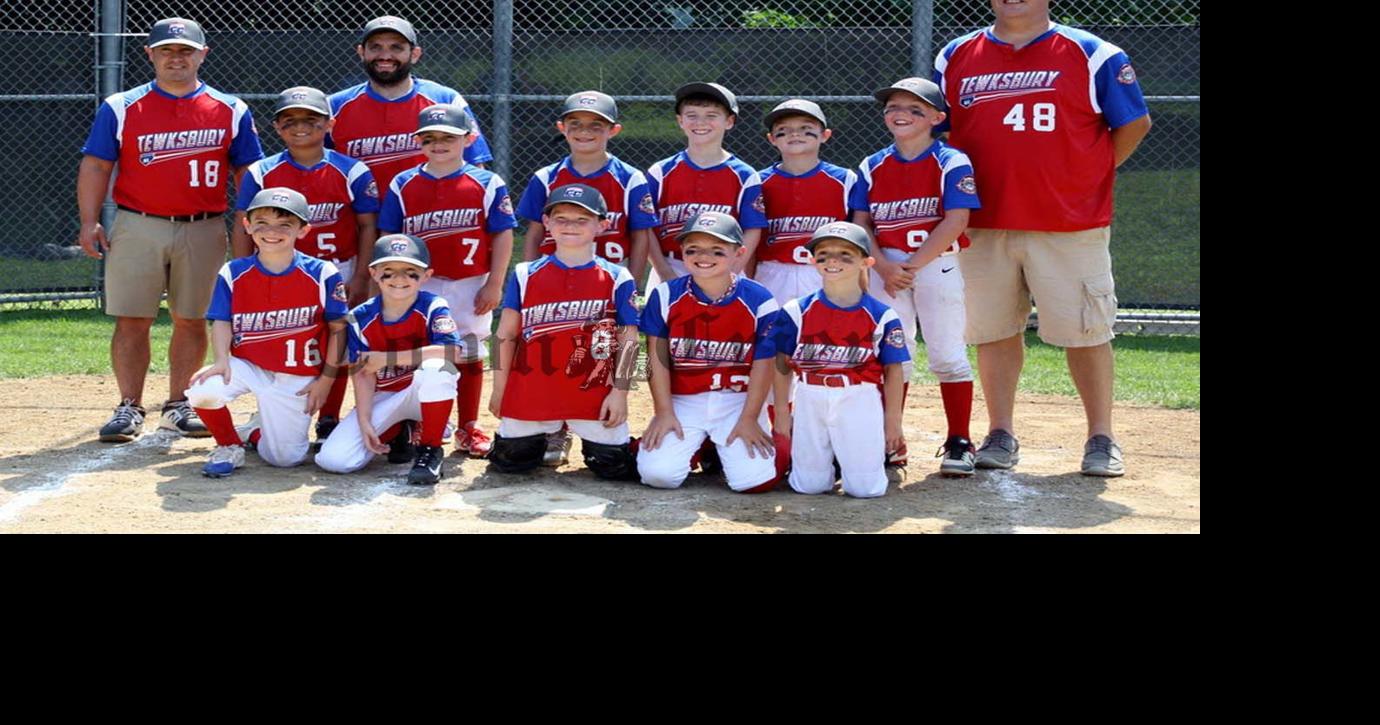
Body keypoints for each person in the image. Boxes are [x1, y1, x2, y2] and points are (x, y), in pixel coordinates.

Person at [935, 0, 1152, 476]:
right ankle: (1001, 432)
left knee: (1085, 331)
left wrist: (1090, 175)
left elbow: (1134, 123)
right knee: (992, 331)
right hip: (983, 220)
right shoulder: (955, 54)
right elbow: (944, 131)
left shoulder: (1093, 53)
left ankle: (1101, 437)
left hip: (1069, 222)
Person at [77, 17, 264, 443]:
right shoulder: (122, 106)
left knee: (193, 319)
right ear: (150, 55)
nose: (175, 57)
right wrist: (89, 221)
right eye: (166, 50)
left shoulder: (230, 108)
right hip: (138, 223)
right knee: (132, 318)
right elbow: (96, 164)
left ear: (202, 54)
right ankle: (129, 405)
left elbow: (248, 171)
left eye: (185, 50)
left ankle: (179, 403)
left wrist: (252, 227)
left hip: (204, 225)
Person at [513, 90, 658, 467]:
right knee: (553, 353)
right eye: (575, 124)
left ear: (614, 130)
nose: (585, 132)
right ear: (562, 129)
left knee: (599, 356)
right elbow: (532, 232)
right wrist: (530, 282)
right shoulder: (546, 176)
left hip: (603, 283)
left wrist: (634, 283)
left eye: (596, 125)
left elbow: (640, 234)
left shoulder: (630, 178)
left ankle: (599, 418)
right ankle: (555, 429)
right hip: (551, 281)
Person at [232, 85, 381, 443]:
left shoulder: (352, 170)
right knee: (287, 339)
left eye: (311, 120)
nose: (301, 127)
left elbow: (367, 227)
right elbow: (242, 224)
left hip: (338, 268)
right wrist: (241, 272)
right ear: (277, 127)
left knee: (338, 342)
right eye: (290, 120)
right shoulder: (261, 172)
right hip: (280, 272)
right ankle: (272, 410)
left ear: (329, 124)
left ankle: (328, 416)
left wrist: (361, 276)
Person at [851, 77, 981, 480]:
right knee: (894, 354)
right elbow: (861, 223)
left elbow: (956, 219)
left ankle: (959, 439)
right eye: (893, 108)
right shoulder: (872, 165)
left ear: (937, 118)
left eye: (914, 109)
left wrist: (911, 267)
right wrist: (885, 267)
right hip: (884, 268)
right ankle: (891, 440)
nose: (901, 114)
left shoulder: (951, 161)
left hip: (936, 264)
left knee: (946, 353)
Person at [378, 104, 518, 458]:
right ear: (418, 142)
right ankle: (427, 420)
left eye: (448, 138)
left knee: (469, 351)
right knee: (425, 351)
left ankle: (467, 425)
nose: (438, 144)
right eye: (430, 138)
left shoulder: (487, 182)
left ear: (468, 139)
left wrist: (495, 283)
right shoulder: (403, 183)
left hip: (470, 281)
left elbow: (502, 234)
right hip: (419, 284)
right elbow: (389, 235)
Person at [184, 188, 348, 478]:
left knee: (285, 459)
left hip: (297, 375)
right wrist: (221, 359)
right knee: (203, 389)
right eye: (261, 223)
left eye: (285, 224)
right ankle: (228, 444)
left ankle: (256, 432)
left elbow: (337, 330)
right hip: (249, 366)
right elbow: (222, 321)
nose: (272, 232)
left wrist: (326, 380)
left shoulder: (322, 272)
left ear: (303, 229)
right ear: (247, 226)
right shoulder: (232, 272)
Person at [487, 184, 641, 481]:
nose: (571, 226)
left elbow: (629, 340)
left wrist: (619, 393)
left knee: (613, 467)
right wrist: (499, 389)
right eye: (561, 218)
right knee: (511, 462)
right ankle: (549, 433)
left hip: (593, 393)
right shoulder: (524, 273)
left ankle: (570, 433)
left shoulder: (618, 276)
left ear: (602, 225)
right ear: (546, 223)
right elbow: (505, 335)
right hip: (532, 391)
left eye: (582, 219)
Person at [636, 211, 781, 493]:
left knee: (753, 481)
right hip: (684, 399)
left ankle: (711, 444)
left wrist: (750, 417)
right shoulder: (666, 294)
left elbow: (765, 363)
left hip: (736, 400)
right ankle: (699, 444)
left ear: (738, 253)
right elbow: (657, 357)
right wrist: (663, 411)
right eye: (693, 249)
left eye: (717, 250)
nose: (704, 256)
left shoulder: (759, 298)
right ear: (682, 252)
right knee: (658, 475)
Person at [315, 234, 466, 485]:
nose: (399, 279)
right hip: (385, 395)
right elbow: (362, 374)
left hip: (421, 394)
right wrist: (364, 421)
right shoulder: (359, 317)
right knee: (335, 460)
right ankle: (399, 430)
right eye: (389, 271)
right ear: (374, 273)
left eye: (410, 271)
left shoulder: (432, 306)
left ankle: (430, 449)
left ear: (426, 275)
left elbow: (453, 353)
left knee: (438, 368)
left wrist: (388, 358)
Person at [771, 222, 908, 499]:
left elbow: (893, 370)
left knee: (864, 489)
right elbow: (781, 364)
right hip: (810, 394)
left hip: (859, 397)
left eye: (846, 254)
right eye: (824, 254)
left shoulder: (882, 315)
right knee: (808, 486)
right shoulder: (796, 310)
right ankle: (829, 460)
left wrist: (892, 420)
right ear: (812, 261)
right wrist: (783, 412)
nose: (833, 260)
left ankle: (849, 457)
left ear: (866, 262)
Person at [328, 15, 492, 196]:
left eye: (396, 47)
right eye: (375, 47)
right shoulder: (335, 106)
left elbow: (476, 167)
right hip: (361, 219)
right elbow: (315, 165)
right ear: (361, 52)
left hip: (427, 218)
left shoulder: (446, 100)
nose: (385, 56)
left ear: (414, 54)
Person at [643, 82, 767, 290]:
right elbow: (645, 227)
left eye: (711, 115)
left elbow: (752, 230)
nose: (701, 122)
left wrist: (731, 271)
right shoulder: (661, 171)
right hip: (671, 266)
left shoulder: (745, 175)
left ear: (729, 121)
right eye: (692, 115)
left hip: (724, 267)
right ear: (680, 121)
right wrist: (664, 272)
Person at [752, 99, 864, 305]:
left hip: (828, 270)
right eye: (784, 130)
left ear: (825, 135)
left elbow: (859, 237)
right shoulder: (758, 182)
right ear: (771, 139)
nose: (795, 134)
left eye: (806, 128)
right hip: (772, 271)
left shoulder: (845, 179)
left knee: (827, 334)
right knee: (772, 333)